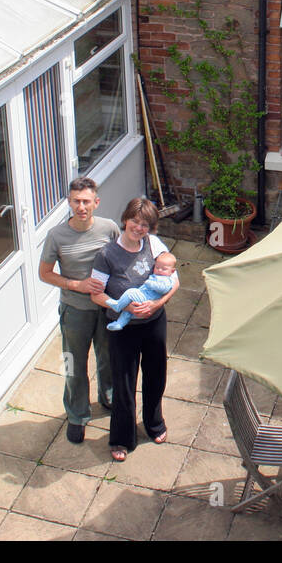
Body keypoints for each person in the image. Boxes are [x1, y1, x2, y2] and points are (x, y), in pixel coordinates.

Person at [91, 198, 179, 461]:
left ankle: (154, 424)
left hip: (153, 323)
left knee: (156, 375)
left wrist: (156, 304)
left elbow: (174, 281)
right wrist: (126, 309)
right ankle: (121, 438)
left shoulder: (154, 245)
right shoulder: (106, 255)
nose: (139, 228)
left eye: (145, 224)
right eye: (135, 221)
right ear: (125, 219)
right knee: (124, 383)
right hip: (123, 330)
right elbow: (96, 296)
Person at [38, 177, 118, 444]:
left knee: (108, 357)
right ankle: (77, 414)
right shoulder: (56, 236)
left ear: (96, 202)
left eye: (86, 201)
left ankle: (109, 398)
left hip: (105, 309)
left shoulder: (109, 229)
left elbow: (122, 259)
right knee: (73, 364)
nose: (81, 207)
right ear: (69, 202)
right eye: (76, 201)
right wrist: (77, 285)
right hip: (75, 311)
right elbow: (45, 274)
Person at [107, 253, 177, 331]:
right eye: (157, 267)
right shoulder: (159, 276)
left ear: (172, 271)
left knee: (131, 292)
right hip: (144, 296)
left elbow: (163, 289)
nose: (159, 270)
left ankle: (118, 306)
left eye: (164, 269)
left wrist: (150, 283)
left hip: (148, 299)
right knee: (127, 312)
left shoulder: (167, 280)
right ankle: (119, 323)